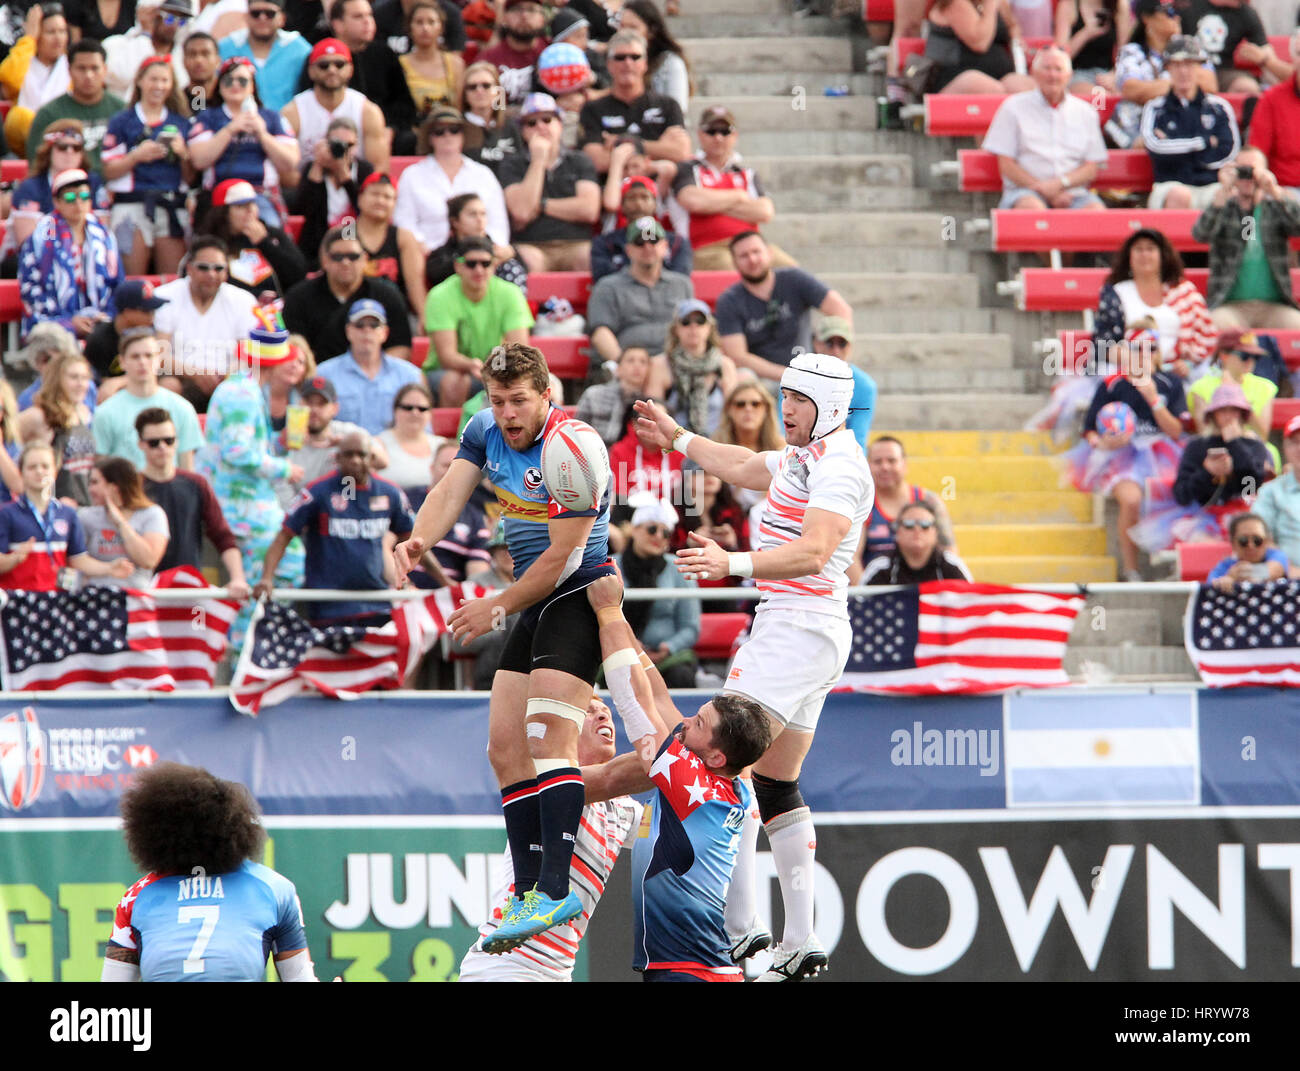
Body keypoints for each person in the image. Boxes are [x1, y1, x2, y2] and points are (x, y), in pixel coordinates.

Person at [634, 352, 874, 981]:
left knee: (717, 756)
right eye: (784, 396)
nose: (785, 408)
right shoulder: (807, 454)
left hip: (796, 628)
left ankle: (741, 927)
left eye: (797, 400)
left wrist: (731, 564)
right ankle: (800, 938)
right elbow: (741, 463)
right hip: (805, 631)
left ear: (829, 407)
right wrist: (679, 437)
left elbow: (818, 552)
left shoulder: (841, 467)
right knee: (773, 782)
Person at [392, 340, 616, 954]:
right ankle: (525, 887)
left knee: (549, 741)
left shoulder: (573, 449)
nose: (509, 413)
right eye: (499, 400)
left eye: (520, 400)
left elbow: (563, 557)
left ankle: (553, 886)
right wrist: (417, 542)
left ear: (549, 395)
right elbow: (447, 492)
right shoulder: (484, 428)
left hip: (579, 593)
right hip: (529, 596)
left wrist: (496, 604)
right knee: (503, 748)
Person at [582, 574, 771, 981]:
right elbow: (660, 695)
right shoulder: (719, 781)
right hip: (696, 970)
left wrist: (606, 611)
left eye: (699, 722)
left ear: (716, 754)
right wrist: (621, 624)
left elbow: (635, 703)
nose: (685, 721)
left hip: (689, 973)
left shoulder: (694, 785)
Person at [460, 698, 642, 981]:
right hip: (506, 969)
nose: (603, 715)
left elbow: (672, 826)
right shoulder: (546, 783)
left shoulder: (626, 809)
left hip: (557, 971)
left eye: (606, 712)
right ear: (564, 730)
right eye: (589, 712)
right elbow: (614, 775)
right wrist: (690, 749)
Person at [101, 762, 317, 982]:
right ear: (235, 826)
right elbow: (300, 978)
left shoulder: (135, 897)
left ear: (151, 832)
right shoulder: (275, 888)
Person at [197, 315, 305, 639]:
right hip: (243, 510)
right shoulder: (242, 393)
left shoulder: (246, 389)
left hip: (248, 507)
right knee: (287, 561)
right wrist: (285, 468)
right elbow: (237, 452)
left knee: (259, 577)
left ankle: (249, 643)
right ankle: (246, 646)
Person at [258, 427, 415, 624]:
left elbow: (412, 539)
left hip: (376, 602)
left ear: (372, 458)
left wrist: (438, 580)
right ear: (337, 458)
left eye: (361, 454)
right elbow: (284, 535)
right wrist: (267, 577)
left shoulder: (391, 493)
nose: (355, 460)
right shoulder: (317, 491)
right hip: (328, 604)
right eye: (349, 454)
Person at [1132, 381, 1273, 551]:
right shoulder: (1197, 446)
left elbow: (1250, 487)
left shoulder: (1254, 445)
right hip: (1204, 517)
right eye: (1223, 410)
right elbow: (1182, 494)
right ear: (1213, 414)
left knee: (1253, 540)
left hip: (1246, 517)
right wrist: (1207, 472)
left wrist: (1235, 444)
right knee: (1204, 544)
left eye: (1234, 410)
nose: (1228, 416)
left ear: (1242, 414)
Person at [980, 46, 1109, 211]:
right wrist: (1045, 190)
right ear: (1033, 73)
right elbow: (1006, 165)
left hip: (1074, 193)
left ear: (1069, 76)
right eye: (1047, 68)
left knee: (1096, 212)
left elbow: (1091, 168)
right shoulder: (1012, 107)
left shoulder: (1086, 112)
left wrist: (1060, 185)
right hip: (1025, 191)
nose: (1053, 75)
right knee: (1032, 208)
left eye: (1058, 69)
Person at [715, 230, 853, 384]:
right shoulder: (729, 301)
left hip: (808, 372)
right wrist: (788, 375)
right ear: (734, 262)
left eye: (756, 252)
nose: (752, 259)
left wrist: (832, 353)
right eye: (744, 256)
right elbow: (738, 357)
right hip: (762, 382)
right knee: (742, 378)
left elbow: (840, 310)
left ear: (770, 253)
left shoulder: (794, 279)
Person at [135, 405, 249, 590]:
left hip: (187, 586)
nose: (162, 447)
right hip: (144, 587)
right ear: (141, 444)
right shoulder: (132, 486)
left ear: (177, 442)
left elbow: (222, 535)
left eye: (168, 440)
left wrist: (238, 579)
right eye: (154, 442)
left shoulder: (196, 484)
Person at [100, 53, 192, 275]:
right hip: (131, 204)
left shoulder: (182, 122)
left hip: (171, 204)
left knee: (173, 279)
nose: (158, 86)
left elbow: (191, 177)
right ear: (140, 80)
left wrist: (183, 154)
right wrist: (136, 156)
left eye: (164, 80)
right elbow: (108, 171)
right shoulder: (122, 121)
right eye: (153, 79)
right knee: (132, 279)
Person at [669, 105, 788, 273]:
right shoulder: (687, 168)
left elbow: (764, 211)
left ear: (735, 136)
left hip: (750, 246)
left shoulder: (747, 173)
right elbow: (693, 201)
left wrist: (711, 205)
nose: (718, 137)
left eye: (725, 131)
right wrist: (739, 196)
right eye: (711, 131)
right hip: (707, 248)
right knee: (731, 272)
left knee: (791, 273)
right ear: (700, 135)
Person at [1194, 145, 1300, 332]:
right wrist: (1224, 191)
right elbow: (1201, 233)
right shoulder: (1224, 208)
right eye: (1242, 169)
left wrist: (1274, 190)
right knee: (1216, 326)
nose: (1247, 176)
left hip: (1274, 306)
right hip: (1230, 307)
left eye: (1252, 169)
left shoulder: (1275, 207)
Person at [0, 442, 133, 590]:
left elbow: (78, 560)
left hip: (56, 600)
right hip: (19, 600)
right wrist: (14, 559)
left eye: (45, 466)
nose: (39, 471)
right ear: (21, 472)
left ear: (55, 472)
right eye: (32, 467)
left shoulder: (67, 513)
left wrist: (109, 568)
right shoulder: (6, 514)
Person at [187, 56, 299, 227]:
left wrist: (262, 134)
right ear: (220, 85)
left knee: (270, 235)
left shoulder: (271, 118)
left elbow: (290, 162)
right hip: (219, 194)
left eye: (242, 80)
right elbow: (199, 160)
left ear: (252, 86)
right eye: (228, 80)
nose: (235, 85)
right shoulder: (207, 117)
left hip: (260, 194)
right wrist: (230, 130)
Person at [423, 235, 533, 407]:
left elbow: (520, 349)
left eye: (485, 263)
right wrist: (473, 365)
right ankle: (457, 434)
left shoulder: (511, 293)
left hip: (497, 369)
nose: (479, 270)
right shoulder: (440, 295)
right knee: (455, 382)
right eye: (471, 264)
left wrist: (493, 368)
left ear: (494, 265)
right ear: (458, 266)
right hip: (447, 371)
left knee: (527, 382)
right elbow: (447, 357)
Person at [281, 225, 414, 363]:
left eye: (353, 256)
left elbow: (400, 348)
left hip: (374, 378)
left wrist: (373, 375)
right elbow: (294, 347)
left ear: (365, 260)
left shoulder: (387, 296)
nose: (345, 262)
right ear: (325, 261)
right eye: (337, 257)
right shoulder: (299, 297)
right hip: (317, 378)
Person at [152, 234, 260, 402]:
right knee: (168, 385)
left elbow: (247, 353)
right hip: (181, 376)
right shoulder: (165, 296)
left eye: (218, 268)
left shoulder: (243, 300)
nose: (211, 274)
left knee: (250, 383)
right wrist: (197, 374)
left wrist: (227, 377)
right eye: (203, 267)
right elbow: (159, 355)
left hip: (227, 378)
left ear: (227, 271)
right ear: (189, 268)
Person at [499, 91, 600, 272]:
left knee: (590, 256)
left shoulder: (579, 160)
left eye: (547, 120)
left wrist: (541, 205)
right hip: (532, 245)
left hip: (576, 243)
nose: (540, 126)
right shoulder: (512, 164)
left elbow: (589, 209)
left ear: (560, 124)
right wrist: (538, 161)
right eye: (531, 123)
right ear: (523, 131)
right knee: (528, 260)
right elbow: (521, 212)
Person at [1093, 227, 1217, 374]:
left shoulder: (1183, 292)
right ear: (1129, 257)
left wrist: (1187, 364)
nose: (1144, 254)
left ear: (1162, 256)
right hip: (1129, 370)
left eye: (1150, 249)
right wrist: (1139, 363)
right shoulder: (1116, 293)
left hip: (1179, 371)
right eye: (1138, 249)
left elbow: (1205, 337)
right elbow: (1104, 345)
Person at [18, 167, 122, 341]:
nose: (78, 203)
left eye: (84, 196)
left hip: (100, 320)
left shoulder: (105, 237)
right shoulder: (40, 239)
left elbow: (117, 283)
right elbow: (30, 290)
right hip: (51, 322)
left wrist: (103, 316)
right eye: (70, 197)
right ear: (56, 202)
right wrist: (68, 322)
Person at [393, 103, 509, 255]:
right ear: (430, 138)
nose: (447, 135)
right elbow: (404, 222)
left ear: (463, 135)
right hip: (429, 254)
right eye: (439, 131)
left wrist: (490, 249)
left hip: (479, 255)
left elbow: (498, 225)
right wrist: (420, 247)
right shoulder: (412, 175)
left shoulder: (484, 174)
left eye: (454, 130)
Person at [1142, 36, 1241, 211]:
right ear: (1168, 68)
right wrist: (1203, 142)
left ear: (1198, 67)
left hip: (1211, 184)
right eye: (1177, 65)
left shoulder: (1218, 107)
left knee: (1230, 196)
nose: (1183, 71)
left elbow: (1229, 152)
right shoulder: (1155, 108)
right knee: (1179, 196)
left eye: (1189, 64)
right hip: (1170, 183)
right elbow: (1155, 147)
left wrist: (1177, 147)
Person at [578, 28, 690, 177]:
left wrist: (627, 143)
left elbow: (681, 152)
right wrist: (658, 150)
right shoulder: (592, 108)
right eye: (620, 57)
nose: (628, 63)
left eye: (635, 57)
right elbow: (596, 160)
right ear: (608, 64)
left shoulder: (668, 105)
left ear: (645, 63)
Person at [587, 215, 692, 368]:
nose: (647, 247)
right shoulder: (608, 286)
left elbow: (693, 327)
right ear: (628, 250)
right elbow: (600, 333)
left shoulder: (682, 284)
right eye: (640, 242)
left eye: (654, 241)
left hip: (676, 364)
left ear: (665, 246)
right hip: (628, 365)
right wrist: (623, 363)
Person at [1109, 0, 1217, 149]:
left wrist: (1159, 87)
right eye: (1169, 12)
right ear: (1147, 18)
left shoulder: (1191, 46)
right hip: (1138, 126)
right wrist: (1180, 85)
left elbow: (1209, 84)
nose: (1177, 17)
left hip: (1183, 120)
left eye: (1177, 12)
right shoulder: (1132, 51)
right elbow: (1132, 90)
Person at [615, 499, 700, 688]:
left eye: (666, 532)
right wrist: (628, 644)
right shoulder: (612, 566)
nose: (659, 536)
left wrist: (668, 648)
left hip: (668, 658)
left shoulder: (679, 568)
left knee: (681, 675)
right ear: (634, 530)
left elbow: (690, 626)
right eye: (652, 529)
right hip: (619, 653)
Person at [93, 326, 203, 468]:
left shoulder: (183, 408)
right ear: (122, 362)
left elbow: (187, 469)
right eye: (135, 356)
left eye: (148, 355)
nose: (142, 362)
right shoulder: (105, 413)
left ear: (159, 360)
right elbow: (101, 468)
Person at [850, 436, 957, 579]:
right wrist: (867, 596)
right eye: (877, 461)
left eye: (891, 460)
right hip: (877, 588)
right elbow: (852, 558)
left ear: (904, 464)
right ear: (867, 466)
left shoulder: (929, 501)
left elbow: (948, 551)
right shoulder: (860, 503)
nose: (885, 467)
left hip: (924, 588)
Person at [315, 297, 423, 433]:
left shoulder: (409, 375)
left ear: (385, 333)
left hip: (394, 450)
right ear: (348, 331)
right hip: (342, 450)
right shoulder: (324, 374)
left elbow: (422, 427)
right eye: (359, 325)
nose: (367, 331)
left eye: (374, 325)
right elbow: (314, 423)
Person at [280, 36, 388, 168]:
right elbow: (286, 171)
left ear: (350, 69)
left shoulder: (367, 111)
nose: (332, 70)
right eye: (323, 65)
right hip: (307, 184)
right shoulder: (293, 112)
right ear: (311, 71)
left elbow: (378, 167)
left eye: (339, 64)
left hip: (355, 185)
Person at [278, 373, 389, 502]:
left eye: (321, 404)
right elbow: (281, 493)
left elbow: (383, 462)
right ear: (300, 404)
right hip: (303, 513)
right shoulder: (286, 440)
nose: (314, 410)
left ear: (335, 408)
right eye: (309, 402)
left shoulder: (348, 432)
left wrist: (346, 444)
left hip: (347, 510)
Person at [286, 113, 375, 268]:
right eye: (338, 144)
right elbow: (303, 209)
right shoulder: (313, 169)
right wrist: (318, 166)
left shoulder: (364, 170)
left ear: (357, 145)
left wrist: (345, 178)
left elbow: (365, 208)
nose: (343, 150)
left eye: (349, 145)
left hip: (354, 239)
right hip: (317, 244)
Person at [9, 119, 111, 253]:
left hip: (87, 252)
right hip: (42, 256)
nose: (69, 152)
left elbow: (101, 230)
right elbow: (27, 242)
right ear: (49, 151)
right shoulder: (30, 188)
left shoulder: (94, 183)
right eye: (62, 147)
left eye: (76, 147)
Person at [199, 177, 306, 300]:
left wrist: (264, 243)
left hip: (274, 311)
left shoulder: (272, 235)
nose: (250, 210)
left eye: (253, 204)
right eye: (241, 206)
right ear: (223, 213)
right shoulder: (211, 244)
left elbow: (298, 274)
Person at [25, 37, 125, 168]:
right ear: (69, 70)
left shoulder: (122, 109)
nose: (88, 75)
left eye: (95, 68)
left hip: (114, 185)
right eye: (81, 68)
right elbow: (36, 163)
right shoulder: (49, 114)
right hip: (67, 185)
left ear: (105, 70)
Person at [18, 350, 98, 505]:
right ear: (57, 379)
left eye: (84, 378)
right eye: (74, 377)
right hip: (53, 507)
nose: (80, 384)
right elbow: (8, 434)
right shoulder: (41, 416)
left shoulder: (84, 413)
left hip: (84, 506)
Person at [78, 454, 169, 587]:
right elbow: (76, 560)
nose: (90, 490)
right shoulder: (86, 516)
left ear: (115, 486)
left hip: (135, 596)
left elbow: (149, 560)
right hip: (95, 595)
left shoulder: (153, 514)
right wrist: (109, 568)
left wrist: (120, 522)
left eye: (95, 483)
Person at [649, 298, 735, 437]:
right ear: (676, 329)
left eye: (700, 321)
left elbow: (734, 411)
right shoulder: (661, 364)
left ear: (709, 327)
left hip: (718, 444)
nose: (693, 327)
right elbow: (653, 410)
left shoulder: (725, 365)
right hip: (675, 444)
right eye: (686, 322)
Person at [348, 172, 426, 312]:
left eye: (387, 197)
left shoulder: (404, 237)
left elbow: (414, 284)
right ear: (360, 198)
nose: (380, 201)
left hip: (393, 310)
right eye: (375, 194)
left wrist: (423, 314)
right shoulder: (345, 231)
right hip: (350, 308)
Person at [0, 3, 71, 156]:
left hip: (66, 138)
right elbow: (8, 80)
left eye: (62, 31)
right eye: (51, 32)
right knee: (21, 117)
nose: (58, 37)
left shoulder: (71, 64)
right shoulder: (25, 58)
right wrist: (29, 39)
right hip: (24, 143)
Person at [591, 173, 690, 281]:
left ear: (655, 204)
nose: (638, 203)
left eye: (644, 197)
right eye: (631, 198)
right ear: (622, 205)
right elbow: (603, 280)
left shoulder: (677, 243)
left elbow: (680, 280)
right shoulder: (605, 243)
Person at [218, 0, 312, 113]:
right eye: (255, 13)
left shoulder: (300, 49)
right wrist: (198, 114)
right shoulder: (225, 47)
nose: (262, 18)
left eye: (269, 13)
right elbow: (201, 86)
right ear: (246, 17)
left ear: (282, 18)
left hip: (287, 126)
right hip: (233, 124)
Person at [423, 189, 526, 292]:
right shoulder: (442, 255)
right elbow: (437, 275)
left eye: (483, 214)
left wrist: (512, 253)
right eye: (472, 214)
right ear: (455, 221)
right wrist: (489, 261)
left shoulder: (500, 250)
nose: (479, 220)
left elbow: (526, 271)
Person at [924, 0, 1036, 95]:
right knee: (987, 88)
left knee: (1026, 87)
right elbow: (980, 43)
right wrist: (990, 6)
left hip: (999, 75)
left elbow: (1012, 25)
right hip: (956, 76)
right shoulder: (954, 3)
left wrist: (1015, 38)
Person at [1180, 0, 1288, 93]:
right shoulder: (1187, 5)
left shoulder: (1247, 13)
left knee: (1247, 87)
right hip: (1187, 67)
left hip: (1223, 72)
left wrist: (1264, 60)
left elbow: (1269, 56)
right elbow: (1169, 44)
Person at [1187, 327, 1276, 438]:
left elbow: (1262, 436)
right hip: (1217, 449)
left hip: (1254, 449)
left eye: (1255, 356)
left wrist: (1237, 397)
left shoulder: (1264, 387)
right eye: (1245, 356)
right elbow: (1205, 433)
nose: (1250, 361)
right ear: (1224, 355)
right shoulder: (1200, 388)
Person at [861, 500, 974, 584]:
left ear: (935, 533)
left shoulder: (952, 565)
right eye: (909, 525)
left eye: (925, 525)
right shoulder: (880, 567)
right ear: (897, 532)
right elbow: (860, 605)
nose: (917, 530)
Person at [1244, 29, 1300, 195]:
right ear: (1292, 58)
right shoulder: (1272, 99)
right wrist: (1260, 172)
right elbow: (1257, 150)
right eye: (1299, 53)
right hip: (1284, 191)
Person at [102, 0, 191, 101]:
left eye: (182, 20)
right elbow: (127, 75)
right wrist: (145, 35)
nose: (174, 25)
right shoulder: (115, 44)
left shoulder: (184, 54)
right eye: (169, 18)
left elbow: (182, 86)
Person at [376, 382, 442, 508]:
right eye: (408, 408)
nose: (415, 413)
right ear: (395, 410)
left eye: (422, 409)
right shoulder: (377, 444)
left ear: (430, 413)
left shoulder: (441, 445)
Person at [616, 0, 689, 114]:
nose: (625, 33)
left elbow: (677, 109)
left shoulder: (669, 63)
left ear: (651, 31)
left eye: (633, 27)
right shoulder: (613, 60)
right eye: (622, 26)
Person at [814, 317, 874, 449]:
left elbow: (858, 439)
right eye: (829, 343)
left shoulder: (864, 387)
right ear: (817, 344)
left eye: (842, 344)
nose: (836, 351)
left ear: (850, 346)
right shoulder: (798, 380)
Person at [399, 0, 462, 123]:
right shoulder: (400, 64)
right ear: (409, 27)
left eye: (431, 22)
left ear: (441, 27)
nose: (425, 28)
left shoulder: (456, 64)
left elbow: (460, 107)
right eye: (419, 22)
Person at [576, 344, 652, 445]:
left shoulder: (651, 402)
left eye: (643, 362)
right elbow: (577, 432)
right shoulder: (594, 394)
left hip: (630, 457)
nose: (637, 365)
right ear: (618, 369)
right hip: (595, 453)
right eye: (630, 360)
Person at [1253, 413, 1300, 570]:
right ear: (1285, 448)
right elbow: (1259, 537)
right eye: (1294, 442)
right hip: (1287, 581)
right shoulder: (1270, 492)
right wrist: (1287, 568)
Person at [478, 0, 548, 105]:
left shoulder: (553, 53)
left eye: (531, 10)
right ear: (504, 18)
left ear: (542, 19)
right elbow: (488, 106)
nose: (524, 15)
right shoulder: (488, 59)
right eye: (516, 9)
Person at [458, 60, 521, 176]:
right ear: (464, 94)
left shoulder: (510, 125)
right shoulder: (456, 127)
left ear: (497, 92)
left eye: (486, 85)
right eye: (472, 87)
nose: (479, 91)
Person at [1055, 0, 1128, 93]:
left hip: (1107, 74)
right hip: (1077, 74)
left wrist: (1115, 74)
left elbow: (1125, 50)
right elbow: (1059, 56)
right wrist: (1086, 33)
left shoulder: (1118, 5)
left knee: (1124, 95)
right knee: (1100, 97)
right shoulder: (1069, 5)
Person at [1207, 511, 1289, 589]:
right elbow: (1212, 585)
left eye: (1257, 540)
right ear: (1233, 544)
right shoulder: (1224, 567)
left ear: (1266, 541)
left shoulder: (1276, 555)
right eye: (1244, 541)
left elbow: (1275, 570)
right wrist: (1224, 581)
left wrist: (1236, 576)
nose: (1251, 546)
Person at [181, 29, 219, 112]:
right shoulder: (176, 103)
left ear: (217, 60)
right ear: (183, 61)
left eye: (205, 54)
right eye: (192, 54)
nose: (198, 60)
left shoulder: (229, 100)